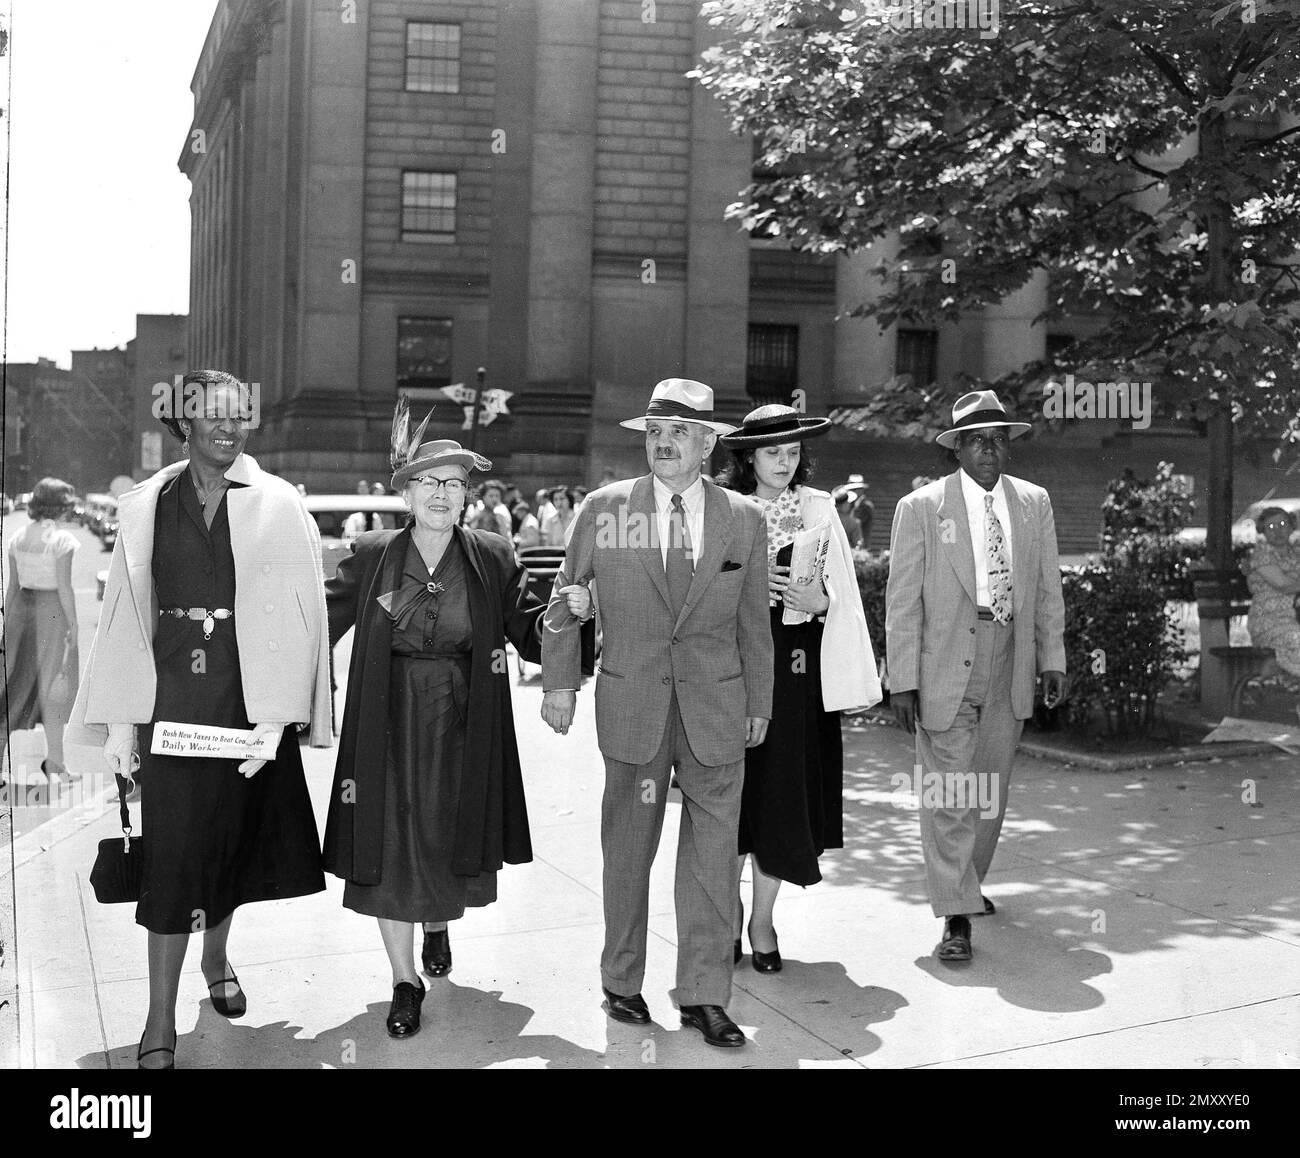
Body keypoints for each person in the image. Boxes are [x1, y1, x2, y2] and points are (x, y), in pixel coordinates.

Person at [66, 369, 330, 1069]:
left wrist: (281, 716)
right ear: (183, 423)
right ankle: (159, 1017)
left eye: (239, 414)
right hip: (173, 704)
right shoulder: (144, 504)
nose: (228, 426)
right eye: (212, 414)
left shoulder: (279, 501)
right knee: (176, 856)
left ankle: (217, 956)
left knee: (235, 842)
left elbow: (307, 610)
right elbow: (122, 618)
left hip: (249, 702)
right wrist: (122, 725)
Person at [541, 378, 773, 1048]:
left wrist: (760, 701)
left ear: (707, 444)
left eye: (679, 433)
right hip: (634, 701)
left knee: (712, 858)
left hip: (717, 707)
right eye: (654, 432)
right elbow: (567, 596)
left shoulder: (743, 520)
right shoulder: (606, 508)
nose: (664, 444)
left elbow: (754, 624)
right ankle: (621, 983)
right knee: (628, 851)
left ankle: (705, 996)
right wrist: (560, 683)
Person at [323, 405, 541, 1040]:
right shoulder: (371, 554)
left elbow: (530, 628)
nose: (441, 494)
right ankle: (403, 979)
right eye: (428, 481)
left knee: (448, 830)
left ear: (467, 496)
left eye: (453, 483)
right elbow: (317, 624)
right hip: (384, 720)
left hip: (464, 716)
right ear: (406, 490)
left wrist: (572, 617)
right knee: (389, 839)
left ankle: (438, 923)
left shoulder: (492, 557)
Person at [886, 391, 1067, 963]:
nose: (990, 450)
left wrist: (1052, 657)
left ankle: (969, 883)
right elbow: (903, 601)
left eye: (998, 439)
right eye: (976, 440)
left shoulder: (1033, 502)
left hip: (1009, 658)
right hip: (944, 662)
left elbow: (1046, 589)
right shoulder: (921, 508)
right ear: (957, 448)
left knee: (990, 790)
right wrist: (903, 679)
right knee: (948, 792)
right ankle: (956, 914)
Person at [717, 407, 881, 971]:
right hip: (731, 667)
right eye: (771, 453)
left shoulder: (818, 507)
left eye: (792, 453)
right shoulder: (722, 507)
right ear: (747, 457)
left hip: (794, 670)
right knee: (728, 797)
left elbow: (844, 594)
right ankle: (727, 916)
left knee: (780, 798)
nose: (784, 463)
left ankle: (763, 920)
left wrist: (820, 603)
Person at [1, 477, 81, 786]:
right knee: (53, 690)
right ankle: (56, 762)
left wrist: (8, 627)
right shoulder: (62, 541)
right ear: (60, 508)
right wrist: (74, 626)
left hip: (20, 611)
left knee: (10, 686)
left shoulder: (18, 536)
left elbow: (11, 588)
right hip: (50, 613)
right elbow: (65, 588)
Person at [1244, 507, 1300, 676]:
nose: (1278, 530)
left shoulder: (1296, 554)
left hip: (1294, 619)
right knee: (1297, 639)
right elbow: (1282, 584)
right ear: (1263, 532)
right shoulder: (1262, 555)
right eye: (1271, 527)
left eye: (1282, 524)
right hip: (1268, 622)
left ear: (1291, 527)